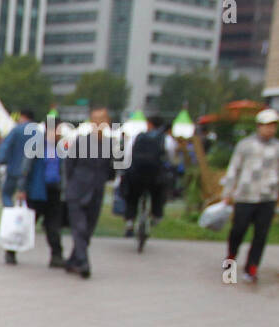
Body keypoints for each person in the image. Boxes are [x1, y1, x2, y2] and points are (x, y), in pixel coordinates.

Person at [220, 107, 279, 284]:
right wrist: (228, 192)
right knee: (238, 230)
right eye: (267, 125)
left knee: (261, 234)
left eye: (273, 126)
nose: (270, 129)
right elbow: (234, 169)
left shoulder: (278, 148)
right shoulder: (245, 145)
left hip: (267, 197)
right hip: (245, 195)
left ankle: (252, 267)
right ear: (259, 126)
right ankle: (231, 256)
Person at [62, 106, 120, 279]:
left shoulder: (111, 145)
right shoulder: (80, 141)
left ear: (108, 122)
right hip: (77, 191)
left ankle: (72, 260)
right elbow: (68, 166)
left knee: (88, 230)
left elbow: (112, 170)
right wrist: (70, 186)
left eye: (102, 120)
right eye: (95, 120)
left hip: (96, 192)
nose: (98, 124)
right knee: (79, 228)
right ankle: (83, 262)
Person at [12, 119, 69, 267]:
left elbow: (64, 170)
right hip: (37, 192)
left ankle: (56, 256)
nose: (60, 133)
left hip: (54, 192)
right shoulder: (37, 145)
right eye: (58, 129)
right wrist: (21, 188)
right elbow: (26, 167)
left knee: (54, 226)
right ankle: (11, 250)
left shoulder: (61, 147)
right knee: (26, 224)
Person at [0, 109, 37, 264]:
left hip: (14, 170)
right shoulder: (37, 132)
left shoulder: (17, 130)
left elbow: (6, 147)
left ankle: (10, 218)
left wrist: (1, 160)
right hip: (30, 176)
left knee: (7, 197)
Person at [123, 114, 170, 236]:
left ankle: (129, 222)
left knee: (132, 196)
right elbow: (169, 157)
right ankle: (156, 215)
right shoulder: (165, 138)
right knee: (158, 194)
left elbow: (128, 154)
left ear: (149, 124)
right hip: (155, 176)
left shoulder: (137, 137)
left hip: (136, 174)